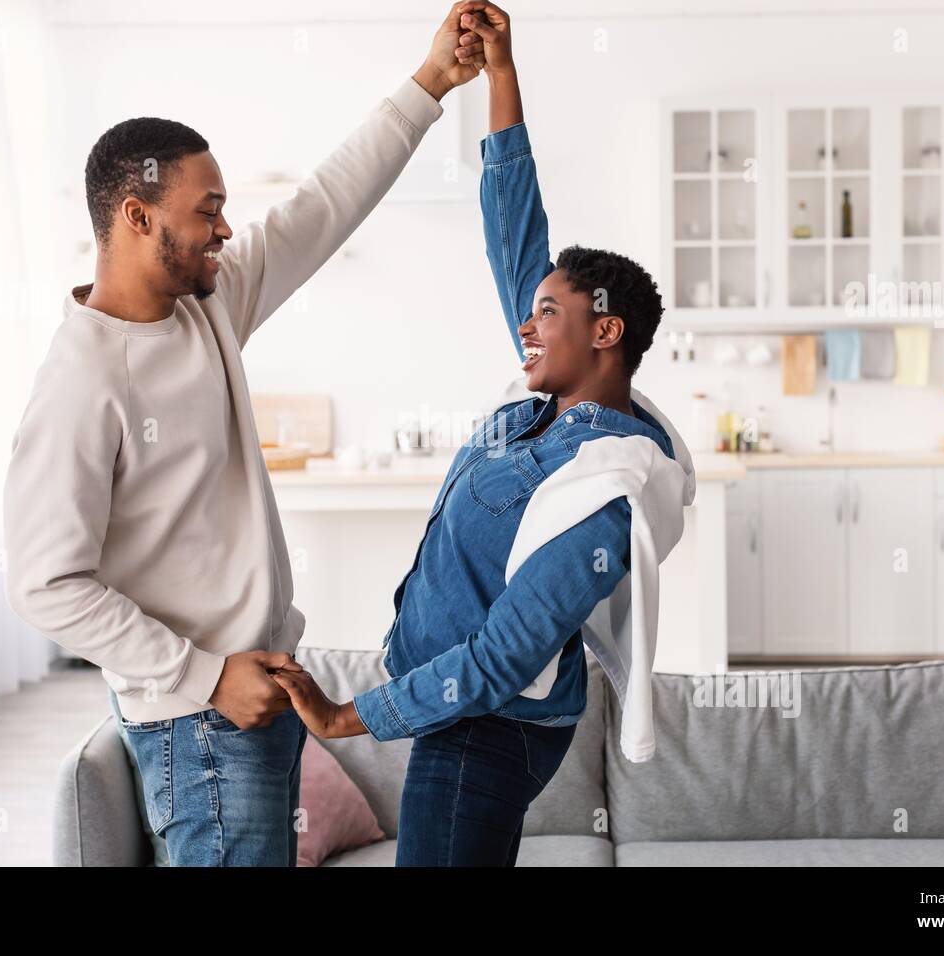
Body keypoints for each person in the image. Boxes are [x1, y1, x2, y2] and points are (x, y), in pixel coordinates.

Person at [1, 6, 488, 867]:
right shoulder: (81, 379)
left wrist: (433, 80)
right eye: (208, 210)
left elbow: (323, 205)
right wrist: (208, 676)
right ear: (137, 216)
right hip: (200, 725)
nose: (225, 230)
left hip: (254, 697)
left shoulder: (208, 307)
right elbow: (45, 584)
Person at [271, 1, 676, 866]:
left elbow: (502, 656)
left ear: (605, 332)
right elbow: (512, 229)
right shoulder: (542, 408)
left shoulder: (606, 487)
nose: (526, 324)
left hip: (488, 727)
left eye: (547, 313)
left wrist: (349, 716)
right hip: (461, 711)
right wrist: (500, 75)